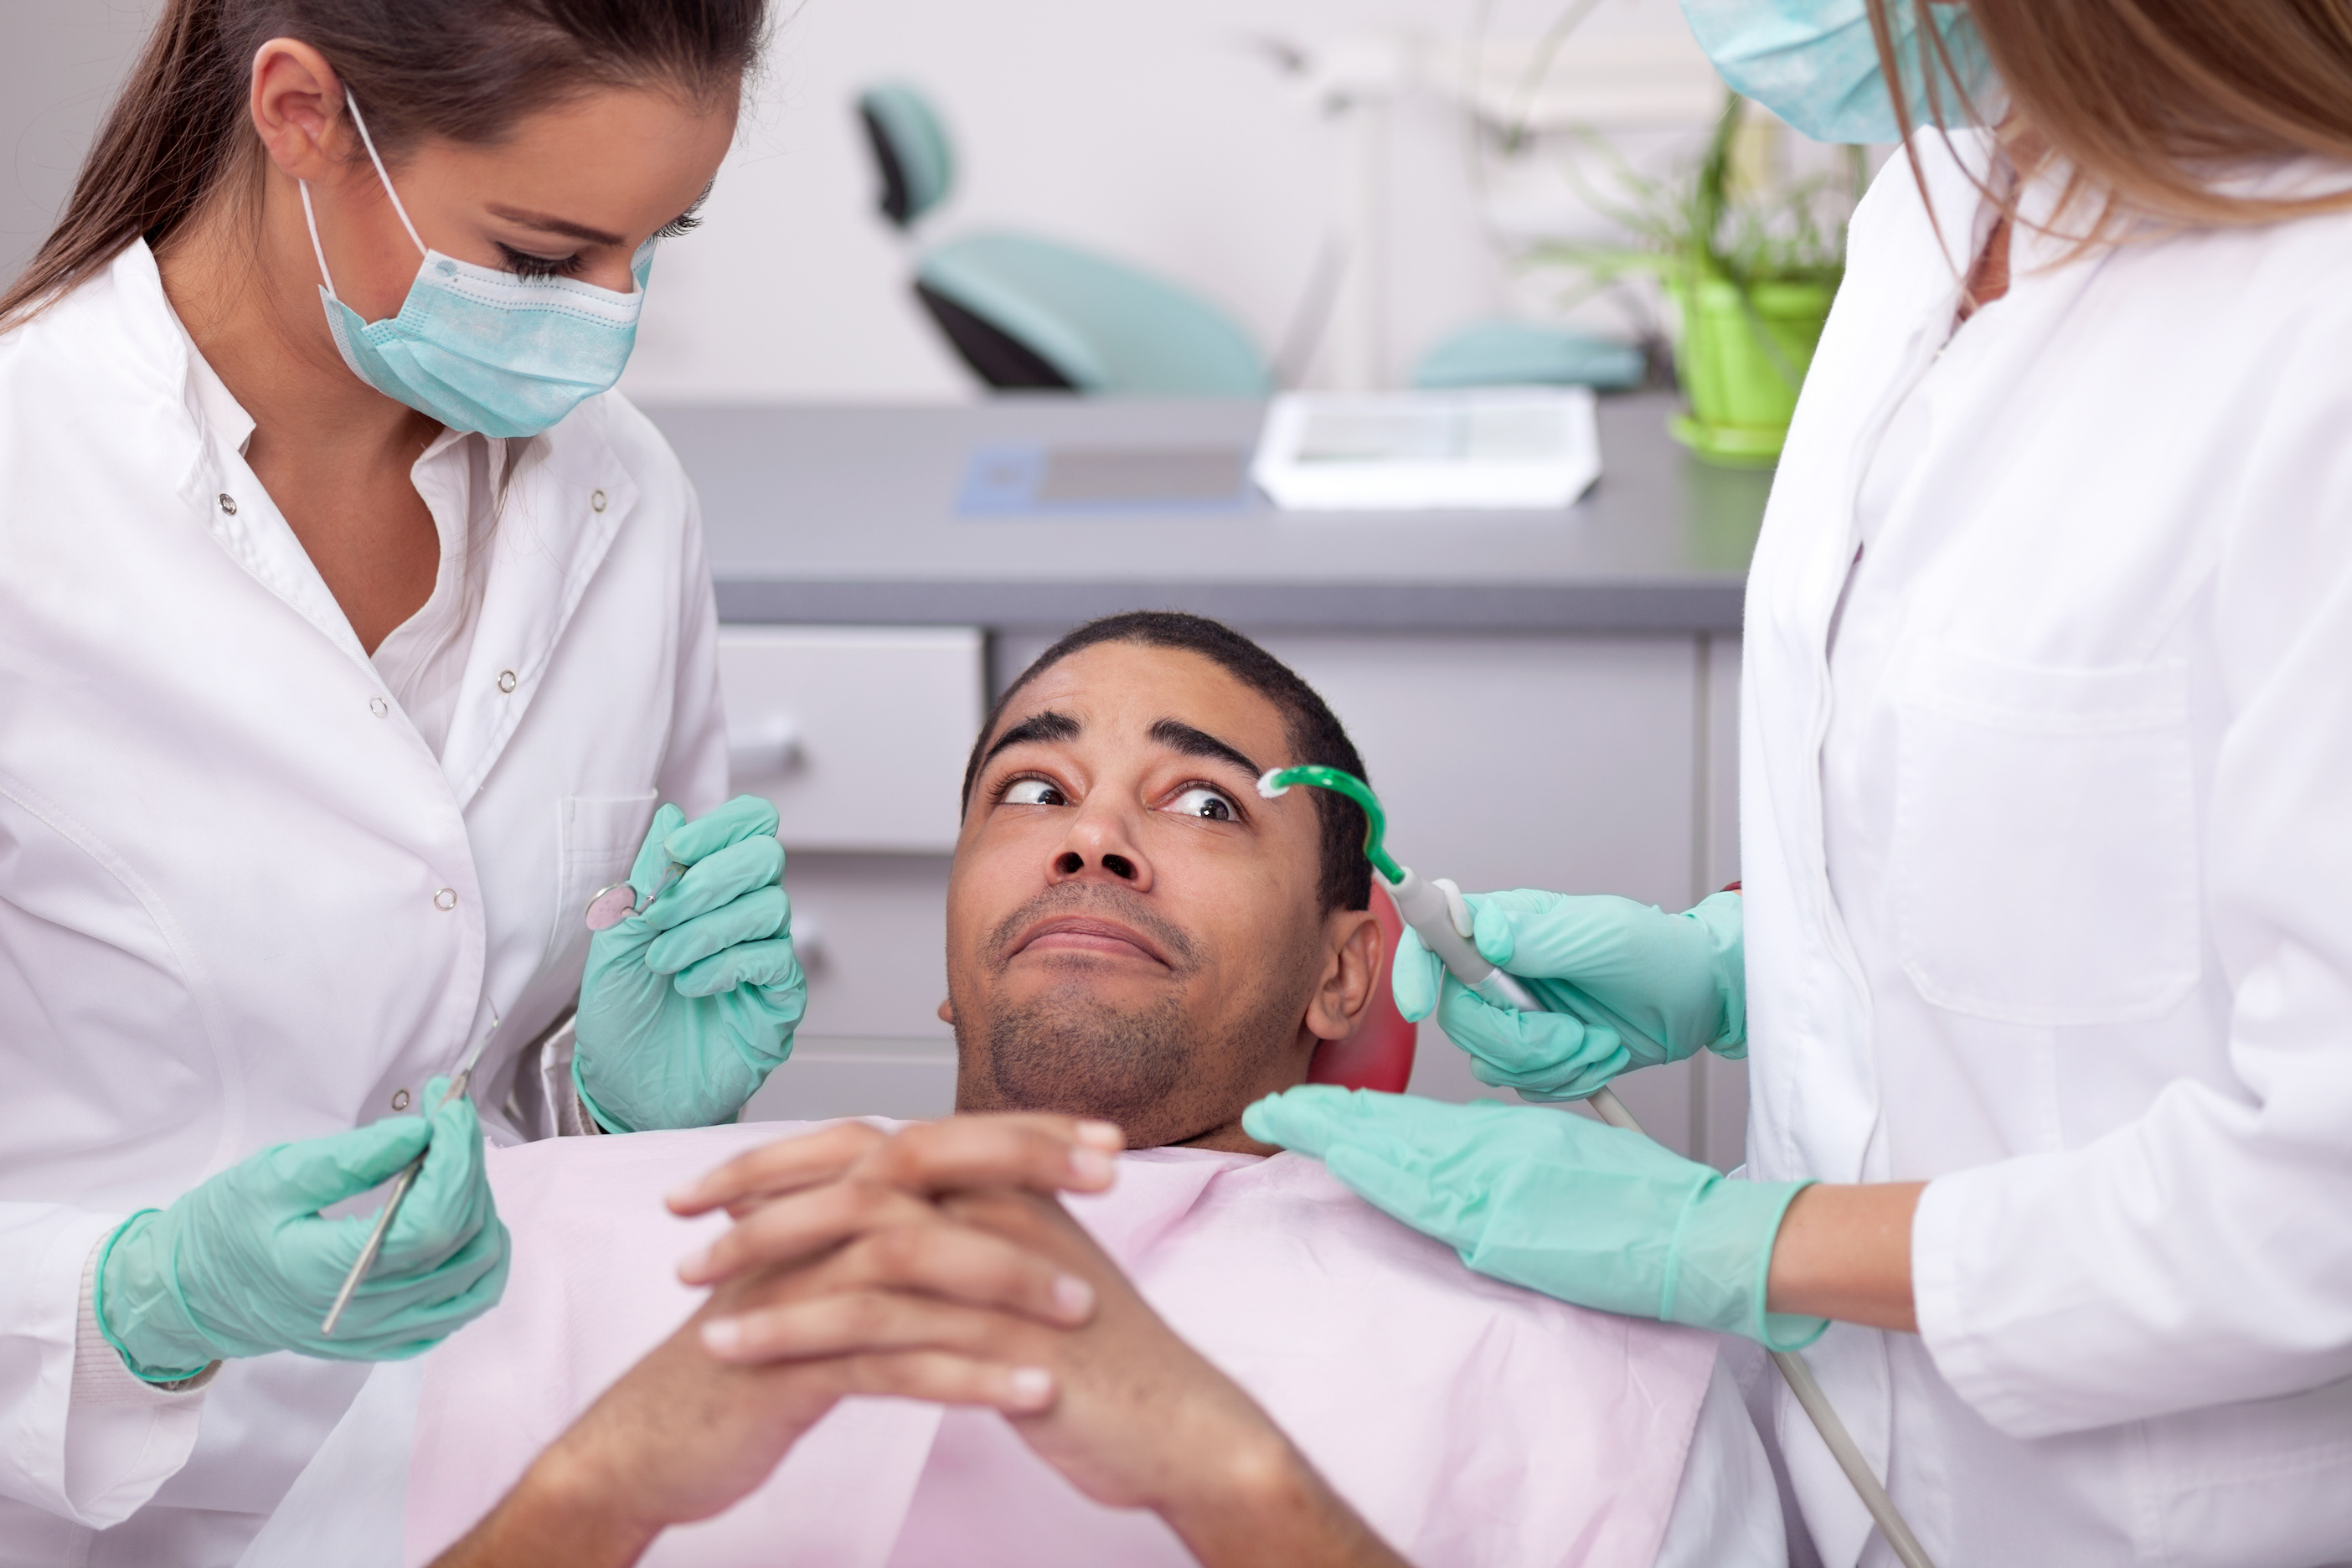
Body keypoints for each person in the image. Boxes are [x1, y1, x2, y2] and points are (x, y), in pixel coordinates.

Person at [1246, 2, 2352, 1564]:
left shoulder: (2319, 331)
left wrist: (1740, 1242)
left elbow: (2325, 1196)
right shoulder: (1937, 197)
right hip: (1817, 1474)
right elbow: (2049, 837)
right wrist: (1738, 966)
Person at [241, 613, 1782, 1568]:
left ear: (1344, 971)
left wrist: (1237, 1487)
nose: (1090, 842)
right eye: (1031, 790)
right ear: (950, 952)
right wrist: (598, 1491)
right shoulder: (562, 1241)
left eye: (1200, 803)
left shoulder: (1578, 1353)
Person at [0, 3, 808, 1560]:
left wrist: (625, 1104)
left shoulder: (621, 492)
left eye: (658, 243)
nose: (610, 319)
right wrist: (147, 1299)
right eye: (539, 258)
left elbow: (523, 1071)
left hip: (515, 1481)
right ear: (301, 113)